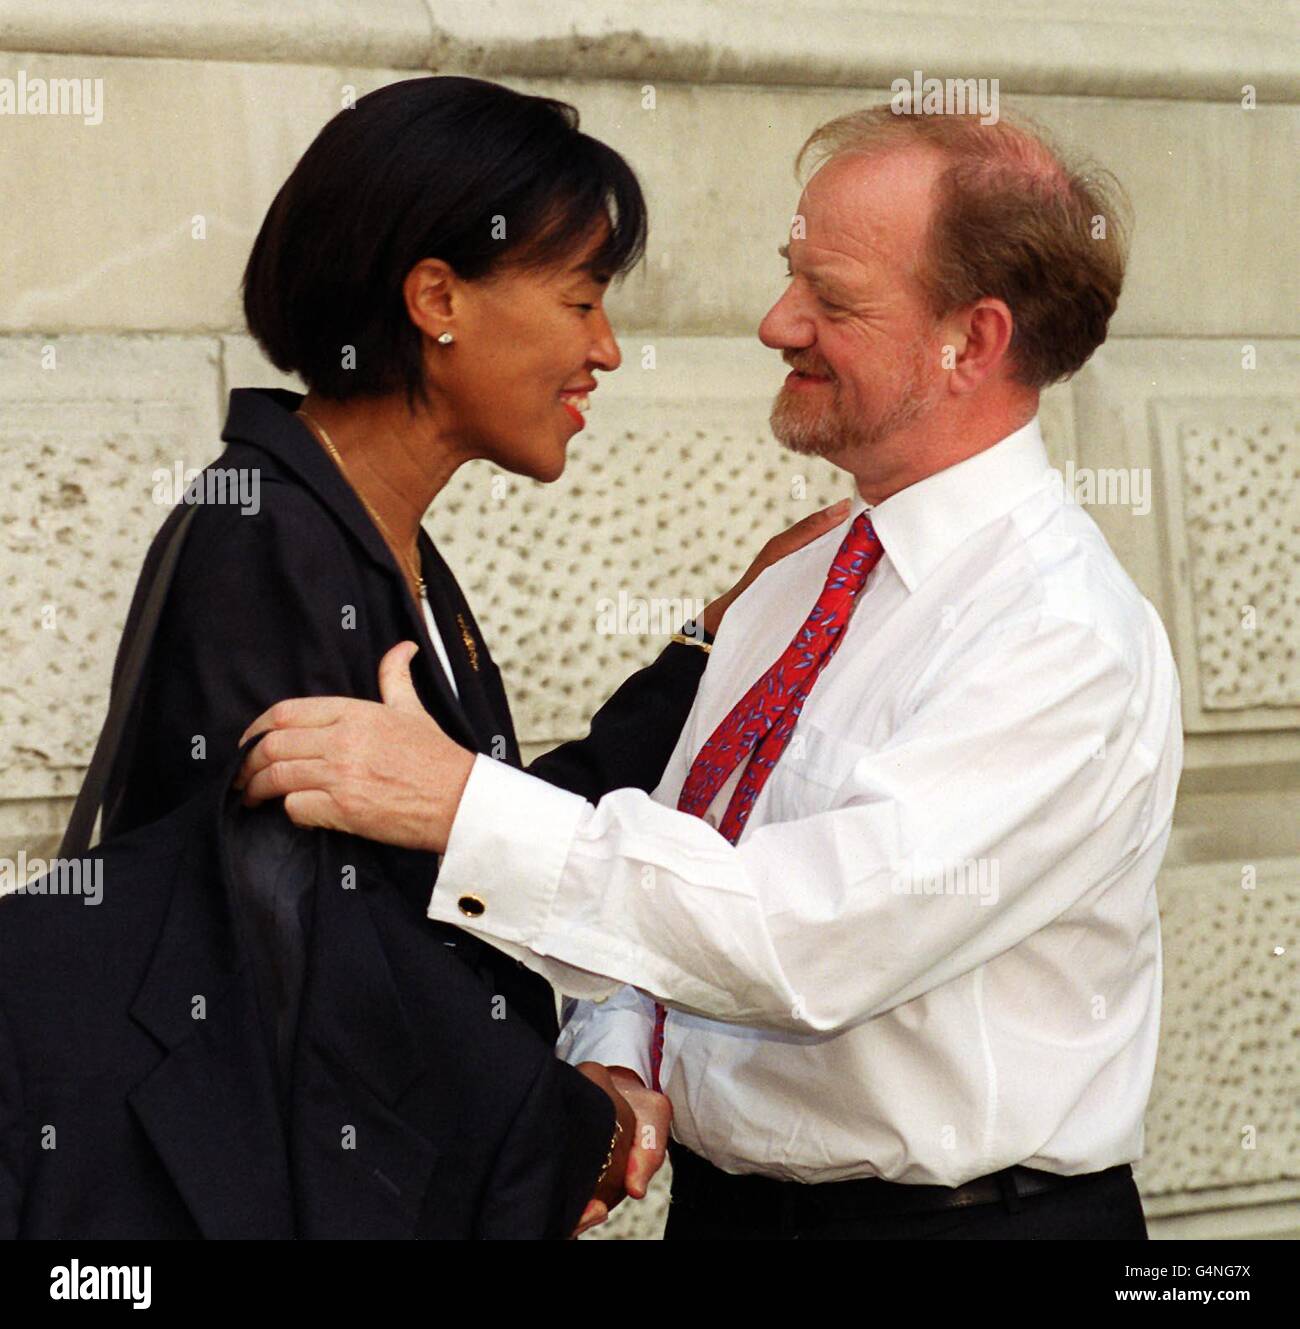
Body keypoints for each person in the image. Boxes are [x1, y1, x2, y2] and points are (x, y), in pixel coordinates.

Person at [238, 105, 1184, 1240]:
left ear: (970, 343)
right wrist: (613, 1076)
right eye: (791, 278)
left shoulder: (1060, 636)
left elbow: (804, 936)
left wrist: (460, 807)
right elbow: (682, 849)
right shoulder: (797, 584)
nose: (776, 323)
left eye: (831, 298)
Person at [0, 75, 836, 1240]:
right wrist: (572, 1125)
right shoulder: (262, 538)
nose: (604, 349)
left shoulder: (383, 549)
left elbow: (462, 836)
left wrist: (708, 648)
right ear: (437, 296)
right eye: (581, 296)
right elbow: (329, 952)